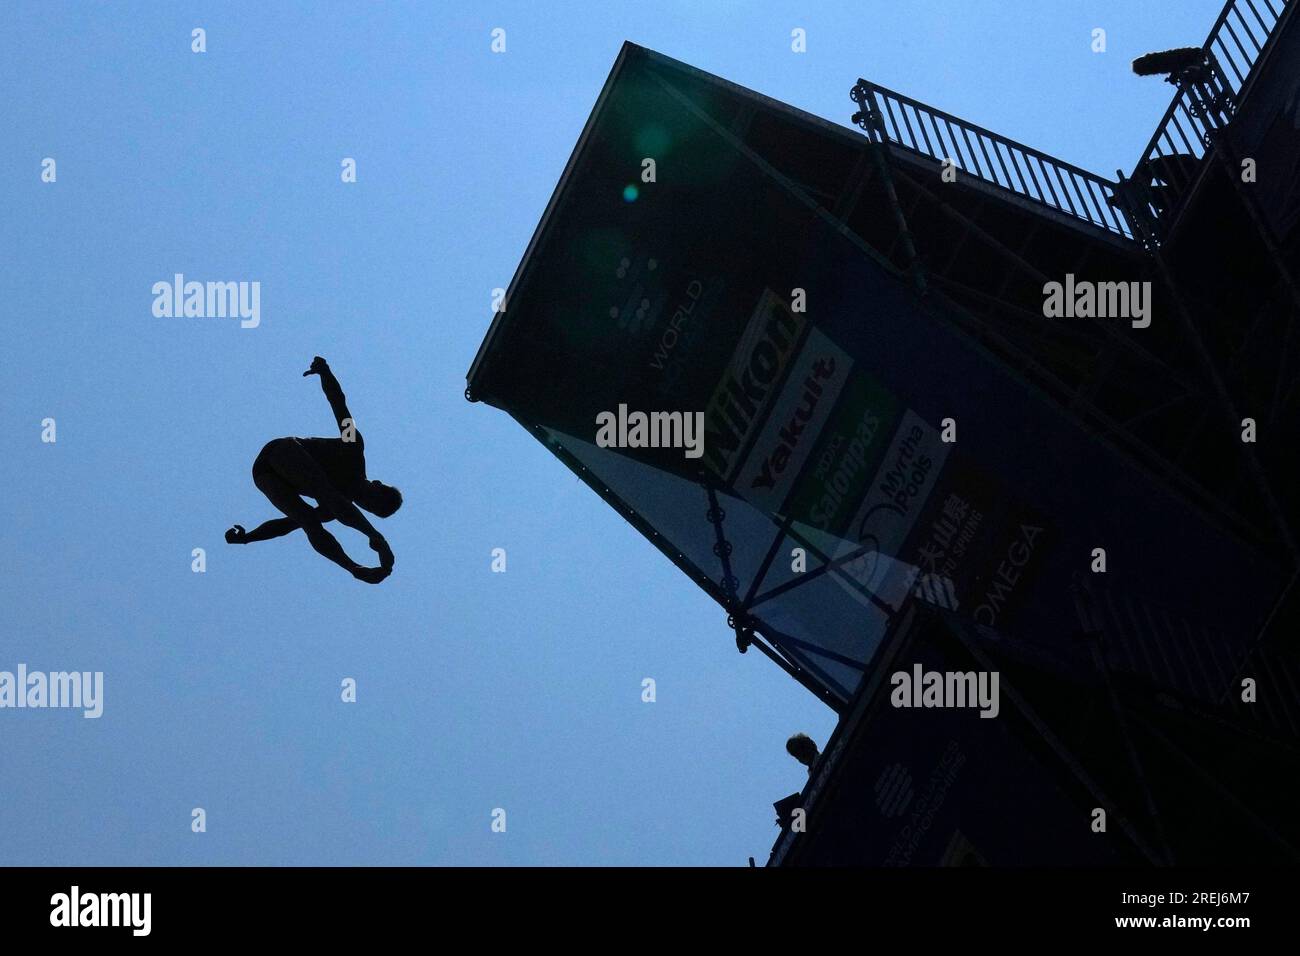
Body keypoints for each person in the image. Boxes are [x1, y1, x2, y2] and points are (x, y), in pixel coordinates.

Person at [226, 356, 401, 583]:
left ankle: (354, 569)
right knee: (327, 492)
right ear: (376, 484)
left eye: (370, 508)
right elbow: (340, 406)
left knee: (308, 520)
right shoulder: (353, 448)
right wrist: (325, 373)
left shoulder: (334, 509)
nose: (365, 503)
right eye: (373, 500)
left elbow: (286, 526)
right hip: (284, 451)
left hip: (262, 474)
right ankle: (372, 543)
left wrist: (249, 537)